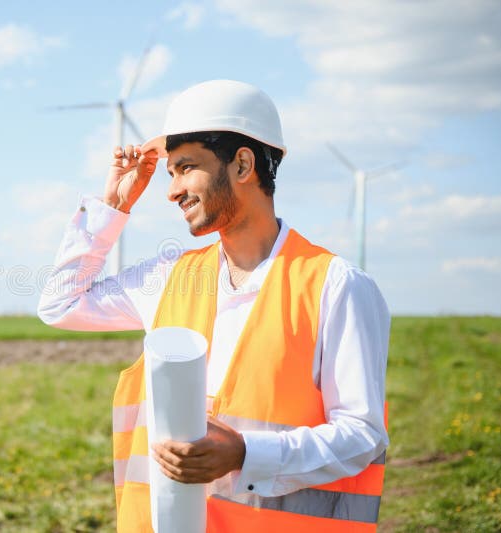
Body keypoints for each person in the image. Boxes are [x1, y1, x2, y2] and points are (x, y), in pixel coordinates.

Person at [38, 80, 389, 532]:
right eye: (170, 173)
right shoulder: (167, 276)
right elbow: (62, 303)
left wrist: (246, 453)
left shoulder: (336, 286)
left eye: (186, 168)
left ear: (242, 164)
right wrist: (113, 206)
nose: (171, 191)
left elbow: (362, 435)